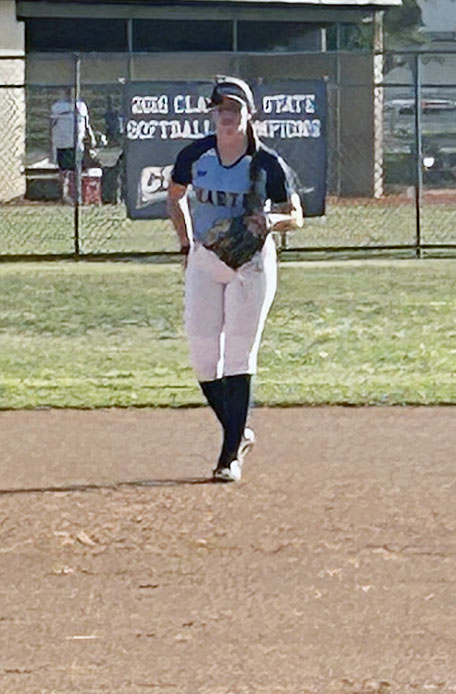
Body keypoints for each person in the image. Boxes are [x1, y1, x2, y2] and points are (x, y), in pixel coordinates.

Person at [166, 76, 303, 482]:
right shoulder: (196, 155)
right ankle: (237, 431)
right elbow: (175, 196)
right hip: (206, 261)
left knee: (240, 356)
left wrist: (273, 220)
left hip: (251, 265)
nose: (227, 117)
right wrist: (186, 244)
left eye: (234, 109)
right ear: (212, 114)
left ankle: (229, 458)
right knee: (204, 361)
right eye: (220, 109)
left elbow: (295, 214)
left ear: (249, 114)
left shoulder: (266, 163)